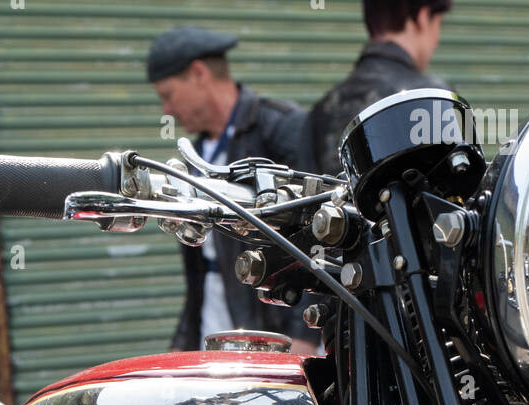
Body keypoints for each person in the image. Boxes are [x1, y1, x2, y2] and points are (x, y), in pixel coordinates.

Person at [147, 25, 315, 353]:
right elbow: (199, 270)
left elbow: (318, 238)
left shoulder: (281, 127)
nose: (166, 110)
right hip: (216, 317)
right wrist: (184, 343)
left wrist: (305, 336)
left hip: (275, 329)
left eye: (168, 95)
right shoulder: (196, 153)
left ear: (198, 74)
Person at [309, 0, 453, 176]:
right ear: (423, 17)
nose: (437, 40)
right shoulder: (436, 99)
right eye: (439, 23)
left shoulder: (322, 110)